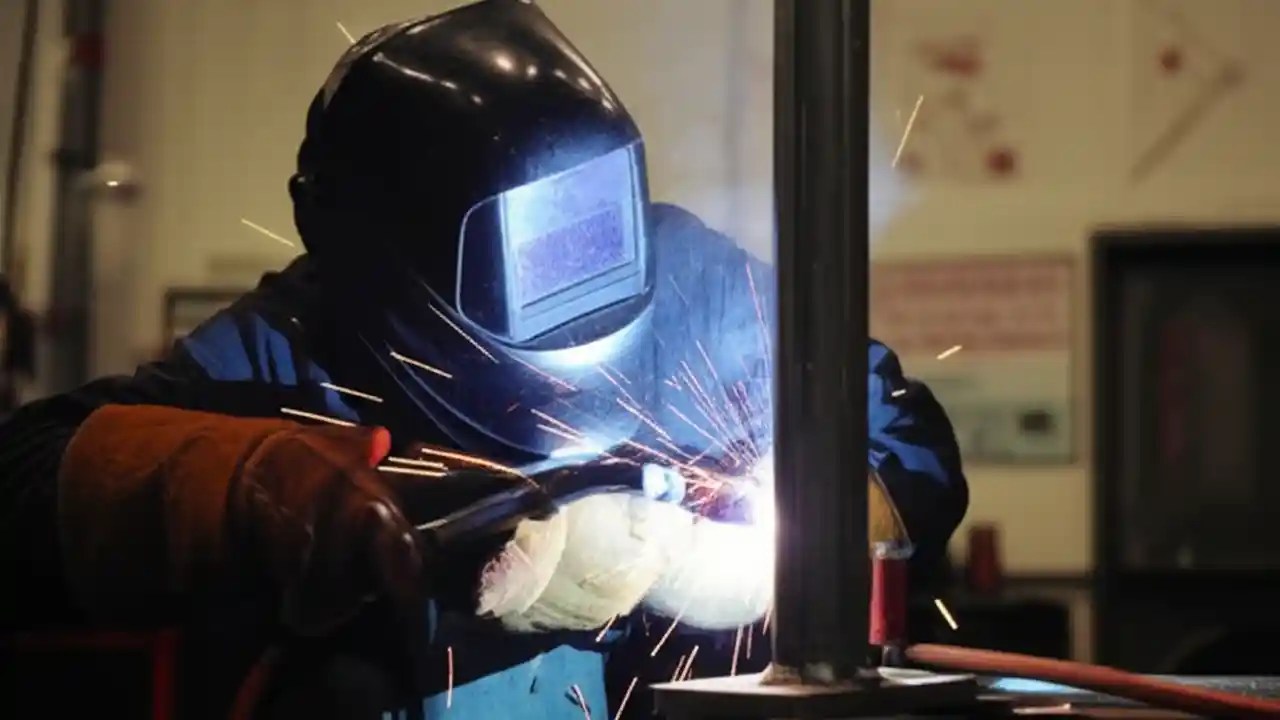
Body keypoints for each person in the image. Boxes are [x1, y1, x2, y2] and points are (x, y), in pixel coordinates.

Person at [0, 1, 968, 718]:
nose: (577, 271)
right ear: (382, 252)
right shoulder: (286, 355)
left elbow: (897, 437)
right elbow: (25, 477)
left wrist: (785, 544)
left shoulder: (698, 286)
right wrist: (258, 486)